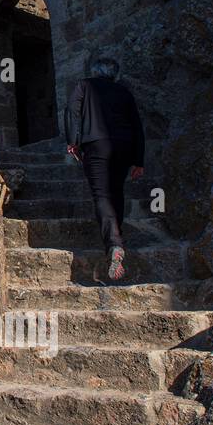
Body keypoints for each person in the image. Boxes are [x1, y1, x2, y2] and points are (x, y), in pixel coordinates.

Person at [64, 57, 145, 282]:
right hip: (124, 146)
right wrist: (139, 160)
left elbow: (72, 110)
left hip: (96, 144)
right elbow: (137, 126)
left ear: (95, 71)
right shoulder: (124, 92)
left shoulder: (84, 85)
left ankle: (114, 244)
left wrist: (72, 140)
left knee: (101, 194)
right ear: (114, 74)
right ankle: (116, 236)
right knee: (116, 191)